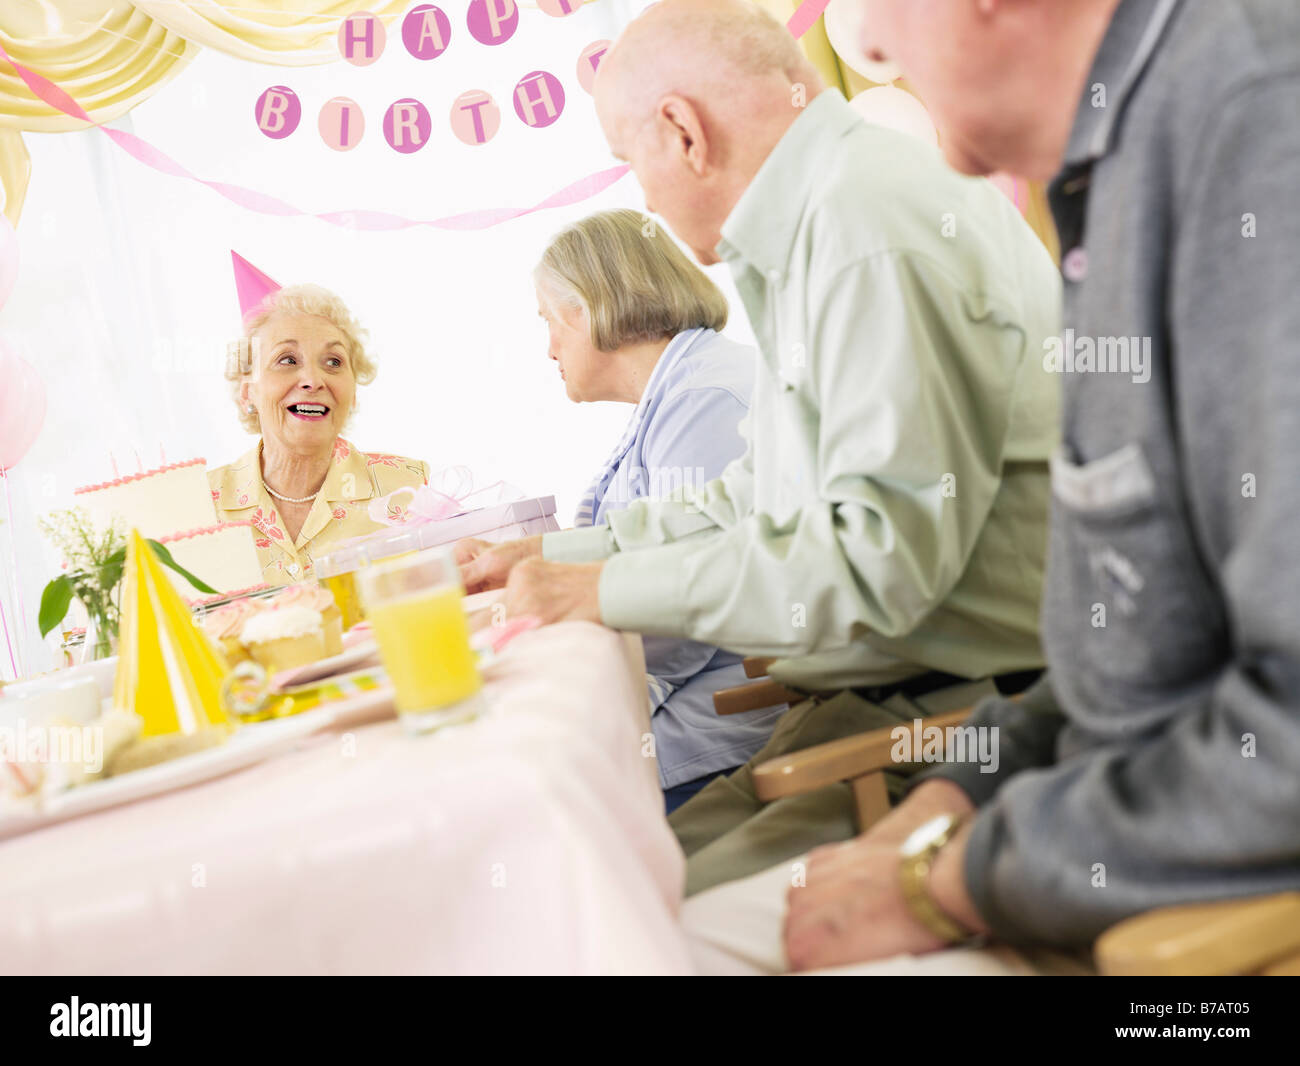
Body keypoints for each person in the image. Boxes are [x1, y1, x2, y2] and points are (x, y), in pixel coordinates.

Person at [685, 0, 1300, 976]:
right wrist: (957, 803)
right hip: (1075, 845)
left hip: (1182, 930)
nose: (869, 49)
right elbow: (1138, 661)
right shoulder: (1119, 157)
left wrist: (952, 877)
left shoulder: (1255, 122)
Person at [456, 0, 1063, 895]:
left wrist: (604, 588)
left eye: (633, 165)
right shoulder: (825, 220)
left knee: (596, 912)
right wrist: (559, 554)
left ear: (683, 132)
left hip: (963, 730)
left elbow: (872, 562)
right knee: (580, 882)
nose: (644, 197)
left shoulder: (863, 228)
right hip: (877, 710)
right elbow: (752, 495)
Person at [461, 209, 783, 811]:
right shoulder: (679, 390)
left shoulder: (706, 394)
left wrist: (549, 603)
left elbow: (682, 624)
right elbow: (657, 539)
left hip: (724, 719)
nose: (549, 347)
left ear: (586, 308)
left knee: (519, 791)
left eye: (547, 321)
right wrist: (530, 561)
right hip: (699, 700)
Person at [212, 260, 429, 585]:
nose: (313, 380)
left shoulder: (409, 488)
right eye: (287, 360)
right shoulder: (201, 506)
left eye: (333, 362)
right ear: (248, 392)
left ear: (353, 391)